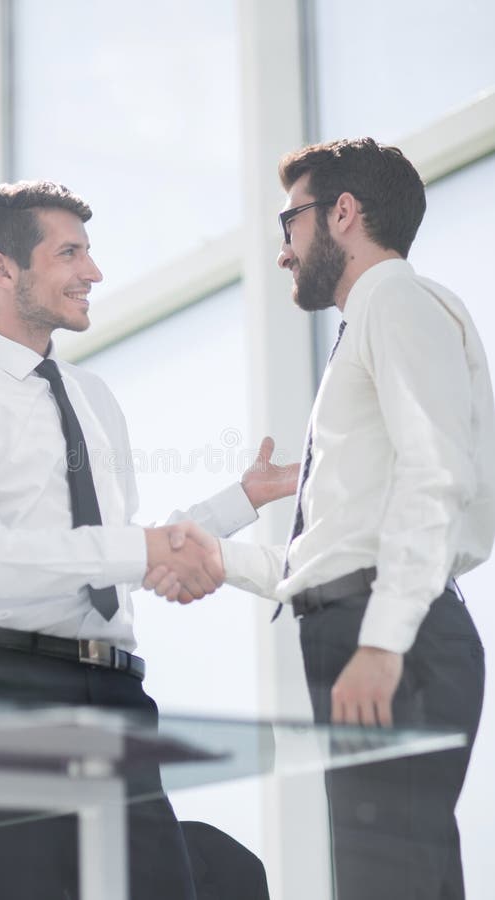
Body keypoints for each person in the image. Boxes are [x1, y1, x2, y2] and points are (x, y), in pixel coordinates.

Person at [0, 180, 295, 900]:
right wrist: (143, 550)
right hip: (13, 695)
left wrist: (236, 504)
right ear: (2, 269)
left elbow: (116, 549)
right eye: (70, 252)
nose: (94, 272)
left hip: (116, 693)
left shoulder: (93, 398)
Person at [148, 138, 495, 899]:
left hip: (387, 634)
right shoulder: (377, 322)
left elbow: (438, 475)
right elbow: (337, 554)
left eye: (290, 221)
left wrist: (380, 641)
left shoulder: (397, 300)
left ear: (343, 213)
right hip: (368, 624)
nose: (283, 251)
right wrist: (217, 554)